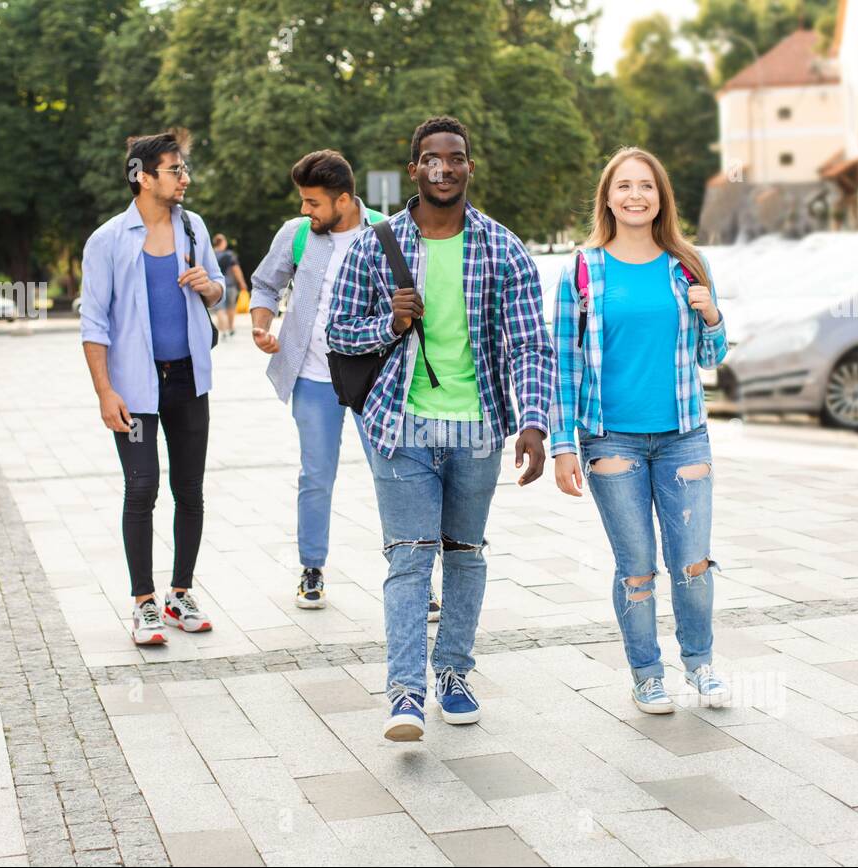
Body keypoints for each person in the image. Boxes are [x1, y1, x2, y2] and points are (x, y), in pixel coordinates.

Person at [327, 116, 555, 742]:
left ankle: (453, 671)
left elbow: (531, 344)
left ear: (469, 168)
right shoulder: (375, 245)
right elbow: (336, 331)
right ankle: (404, 693)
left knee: (464, 555)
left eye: (455, 158)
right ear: (414, 169)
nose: (443, 168)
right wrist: (388, 326)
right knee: (408, 557)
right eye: (431, 158)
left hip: (479, 429)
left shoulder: (502, 247)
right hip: (401, 427)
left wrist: (534, 422)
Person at [550, 146, 729, 715]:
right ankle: (647, 674)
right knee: (637, 567)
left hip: (684, 436)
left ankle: (700, 665)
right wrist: (561, 444)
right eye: (623, 186)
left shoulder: (688, 264)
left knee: (693, 562)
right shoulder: (582, 270)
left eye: (646, 186)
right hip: (611, 441)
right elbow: (563, 364)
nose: (635, 195)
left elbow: (711, 358)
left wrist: (713, 317)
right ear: (607, 196)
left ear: (661, 197)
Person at [249, 150, 442, 620]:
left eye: (313, 203)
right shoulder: (296, 236)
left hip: (374, 375)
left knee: (396, 476)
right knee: (315, 475)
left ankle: (416, 577)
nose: (304, 211)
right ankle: (312, 568)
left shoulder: (388, 232)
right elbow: (264, 284)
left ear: (343, 199)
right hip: (312, 378)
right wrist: (260, 326)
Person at [79, 130, 223, 645]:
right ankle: (143, 602)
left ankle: (180, 592)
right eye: (174, 169)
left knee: (190, 490)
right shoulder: (108, 240)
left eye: (184, 169)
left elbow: (216, 292)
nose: (185, 177)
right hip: (134, 387)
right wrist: (104, 392)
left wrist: (211, 286)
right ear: (142, 176)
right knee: (141, 488)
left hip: (188, 377)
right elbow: (93, 324)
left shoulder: (194, 228)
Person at [211, 233, 247, 340]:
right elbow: (236, 270)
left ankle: (224, 331)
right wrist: (242, 283)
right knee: (231, 307)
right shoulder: (229, 255)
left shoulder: (211, 254)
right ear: (223, 242)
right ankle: (230, 328)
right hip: (230, 285)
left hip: (216, 285)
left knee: (219, 309)